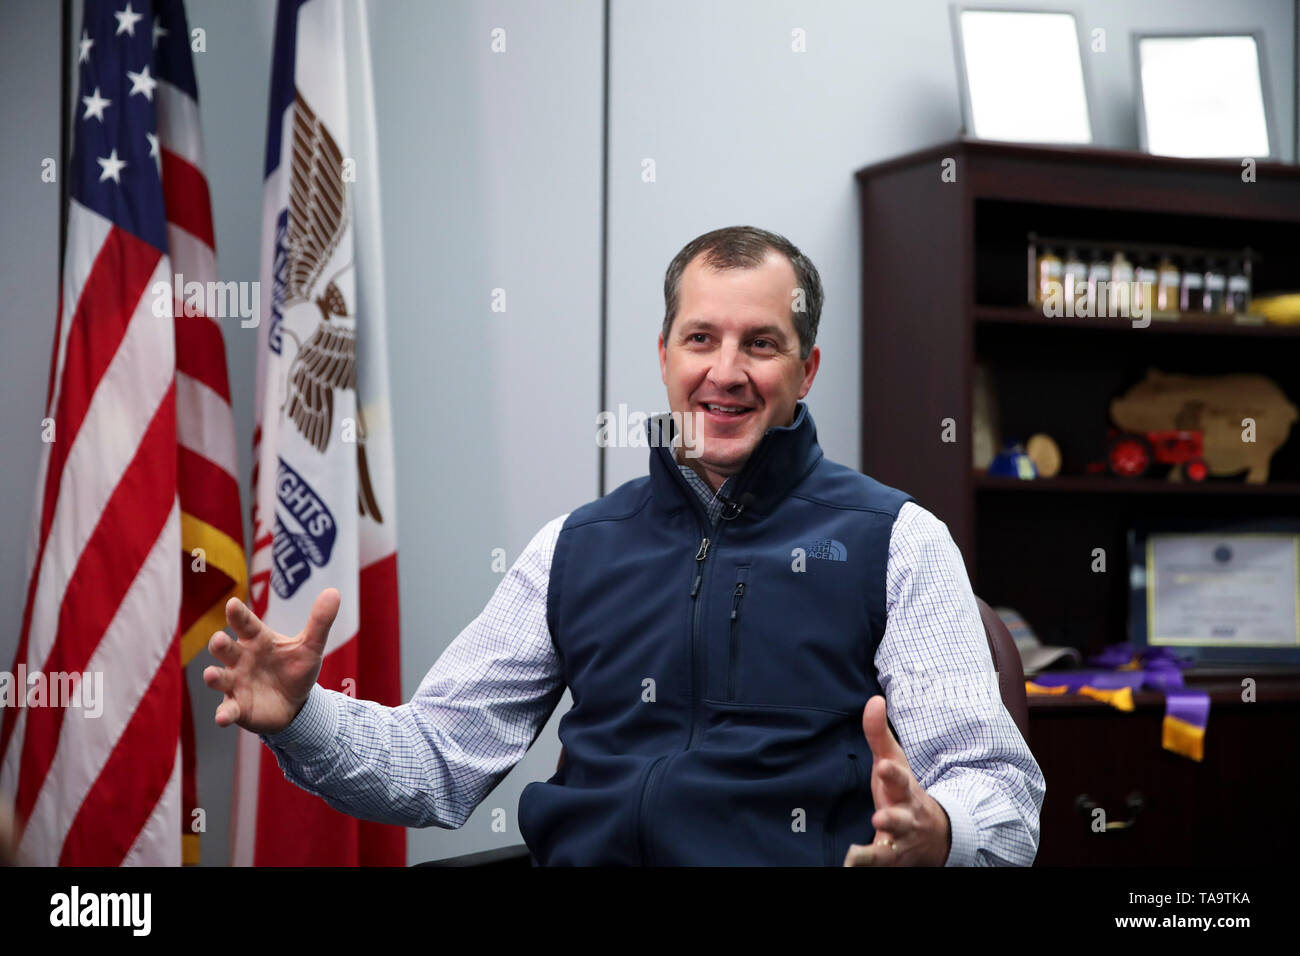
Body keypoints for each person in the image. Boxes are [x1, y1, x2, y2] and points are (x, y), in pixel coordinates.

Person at [205, 225, 1044, 866]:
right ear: (664, 354)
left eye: (761, 343)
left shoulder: (898, 542)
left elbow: (1000, 792)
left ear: (807, 368)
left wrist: (938, 831)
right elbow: (436, 763)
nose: (727, 370)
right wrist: (302, 718)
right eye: (701, 338)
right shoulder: (577, 546)